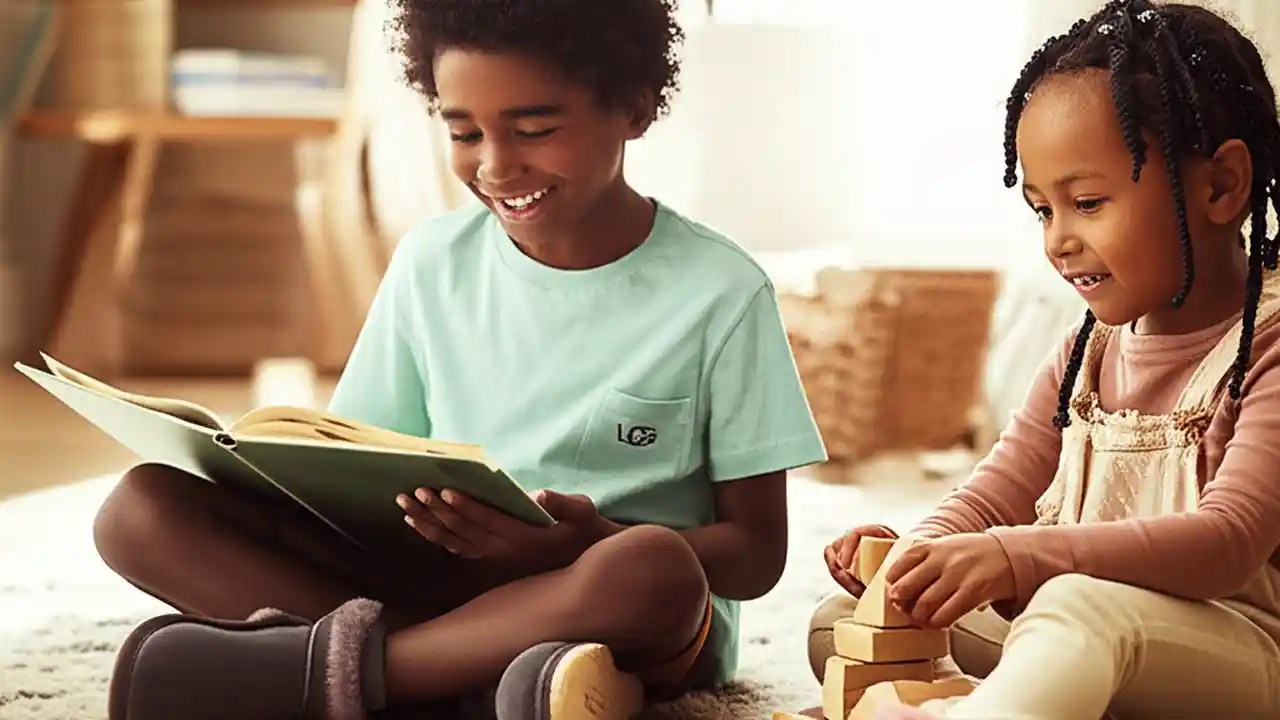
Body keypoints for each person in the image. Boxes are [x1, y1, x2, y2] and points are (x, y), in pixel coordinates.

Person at [93, 1, 828, 718]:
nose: (497, 165)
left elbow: (756, 556)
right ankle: (471, 683)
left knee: (652, 568)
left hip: (613, 607)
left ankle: (340, 677)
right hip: (438, 586)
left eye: (535, 129)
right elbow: (355, 462)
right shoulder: (429, 262)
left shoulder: (722, 293)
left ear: (633, 109)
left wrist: (580, 543)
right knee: (140, 509)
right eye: (464, 131)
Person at [813, 1, 1280, 718]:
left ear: (1220, 187)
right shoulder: (1081, 353)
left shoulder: (1268, 342)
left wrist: (1013, 557)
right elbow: (995, 492)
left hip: (1240, 657)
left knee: (1071, 608)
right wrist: (918, 554)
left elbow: (1229, 542)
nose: (1058, 241)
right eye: (1042, 210)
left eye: (1087, 202)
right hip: (1088, 631)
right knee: (847, 625)